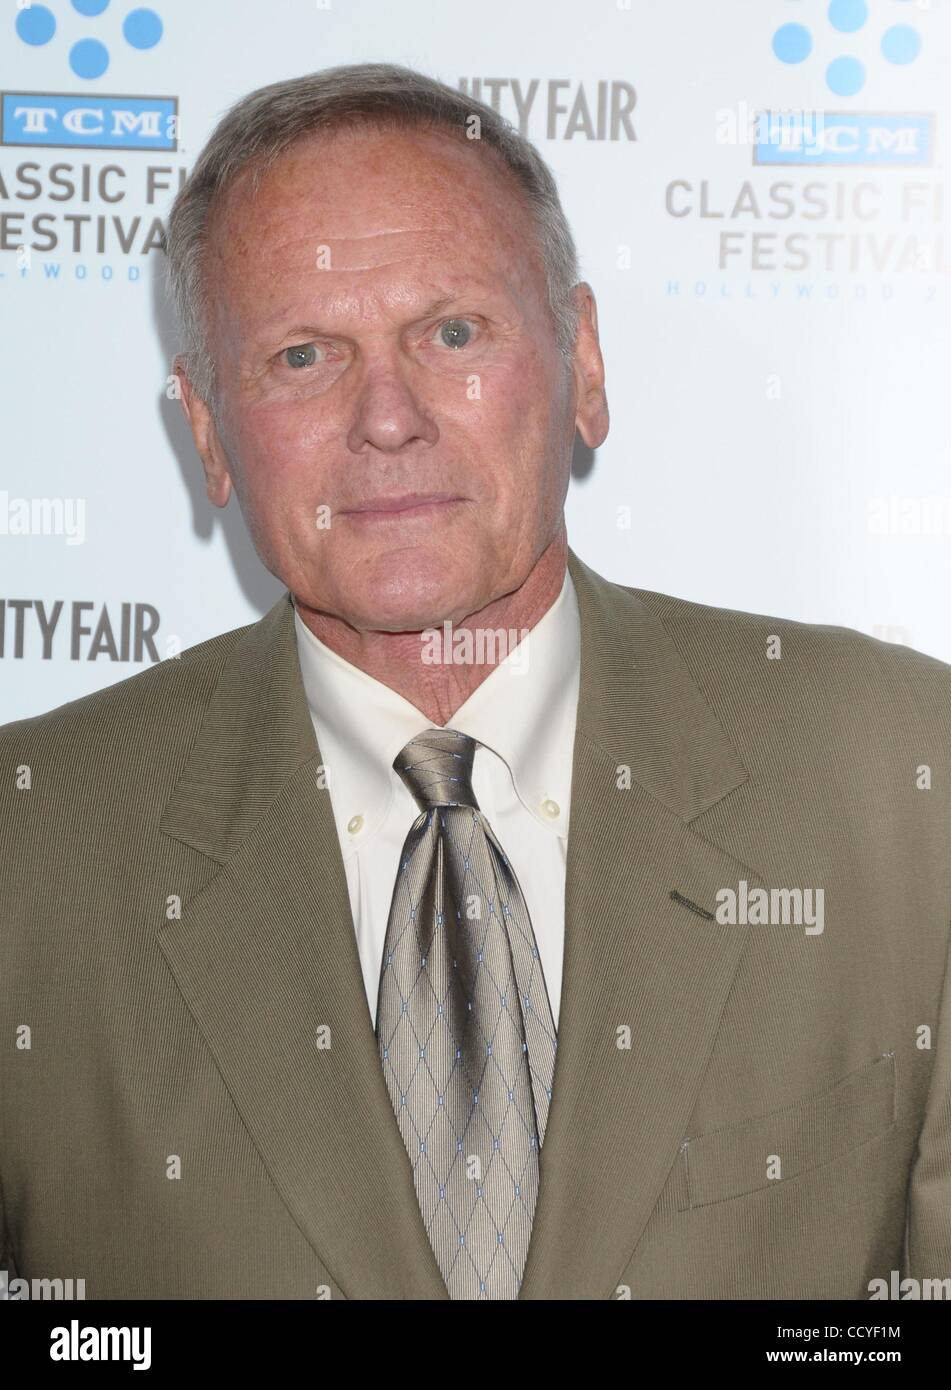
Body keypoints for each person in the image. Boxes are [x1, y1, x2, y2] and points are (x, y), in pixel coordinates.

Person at [1, 63, 949, 1301]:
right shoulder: (31, 847)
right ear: (207, 430)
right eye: (300, 355)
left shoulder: (899, 780)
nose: (386, 418)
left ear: (584, 362)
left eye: (451, 332)